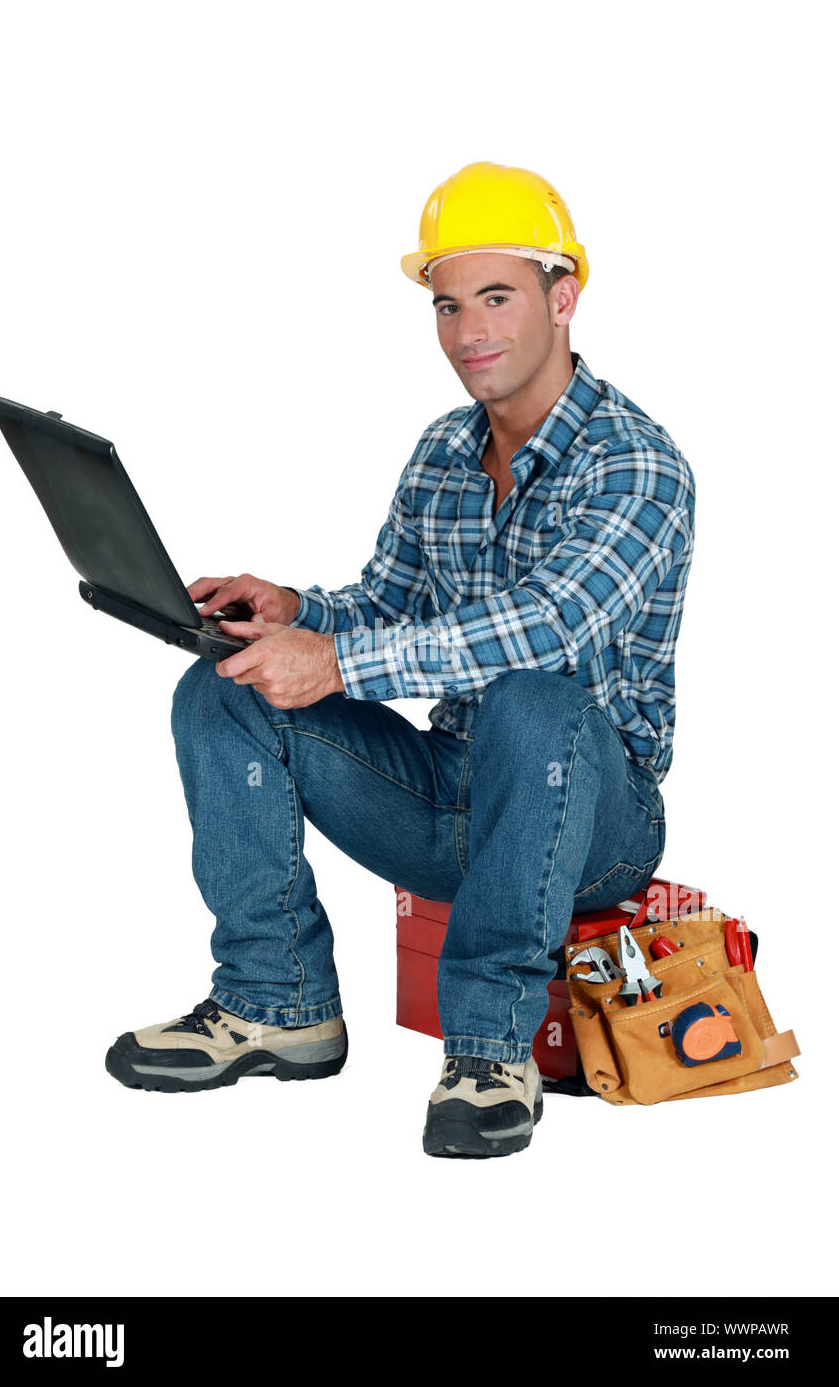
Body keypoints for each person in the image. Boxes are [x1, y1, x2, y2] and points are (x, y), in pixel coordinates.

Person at [105, 161, 695, 1159]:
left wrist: (334, 664)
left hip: (595, 819)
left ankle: (487, 1050)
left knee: (532, 698)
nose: (468, 333)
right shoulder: (439, 453)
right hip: (450, 797)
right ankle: (276, 1000)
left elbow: (547, 629)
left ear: (563, 297)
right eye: (448, 304)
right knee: (226, 686)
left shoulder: (636, 464)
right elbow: (386, 608)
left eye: (497, 298)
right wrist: (294, 612)